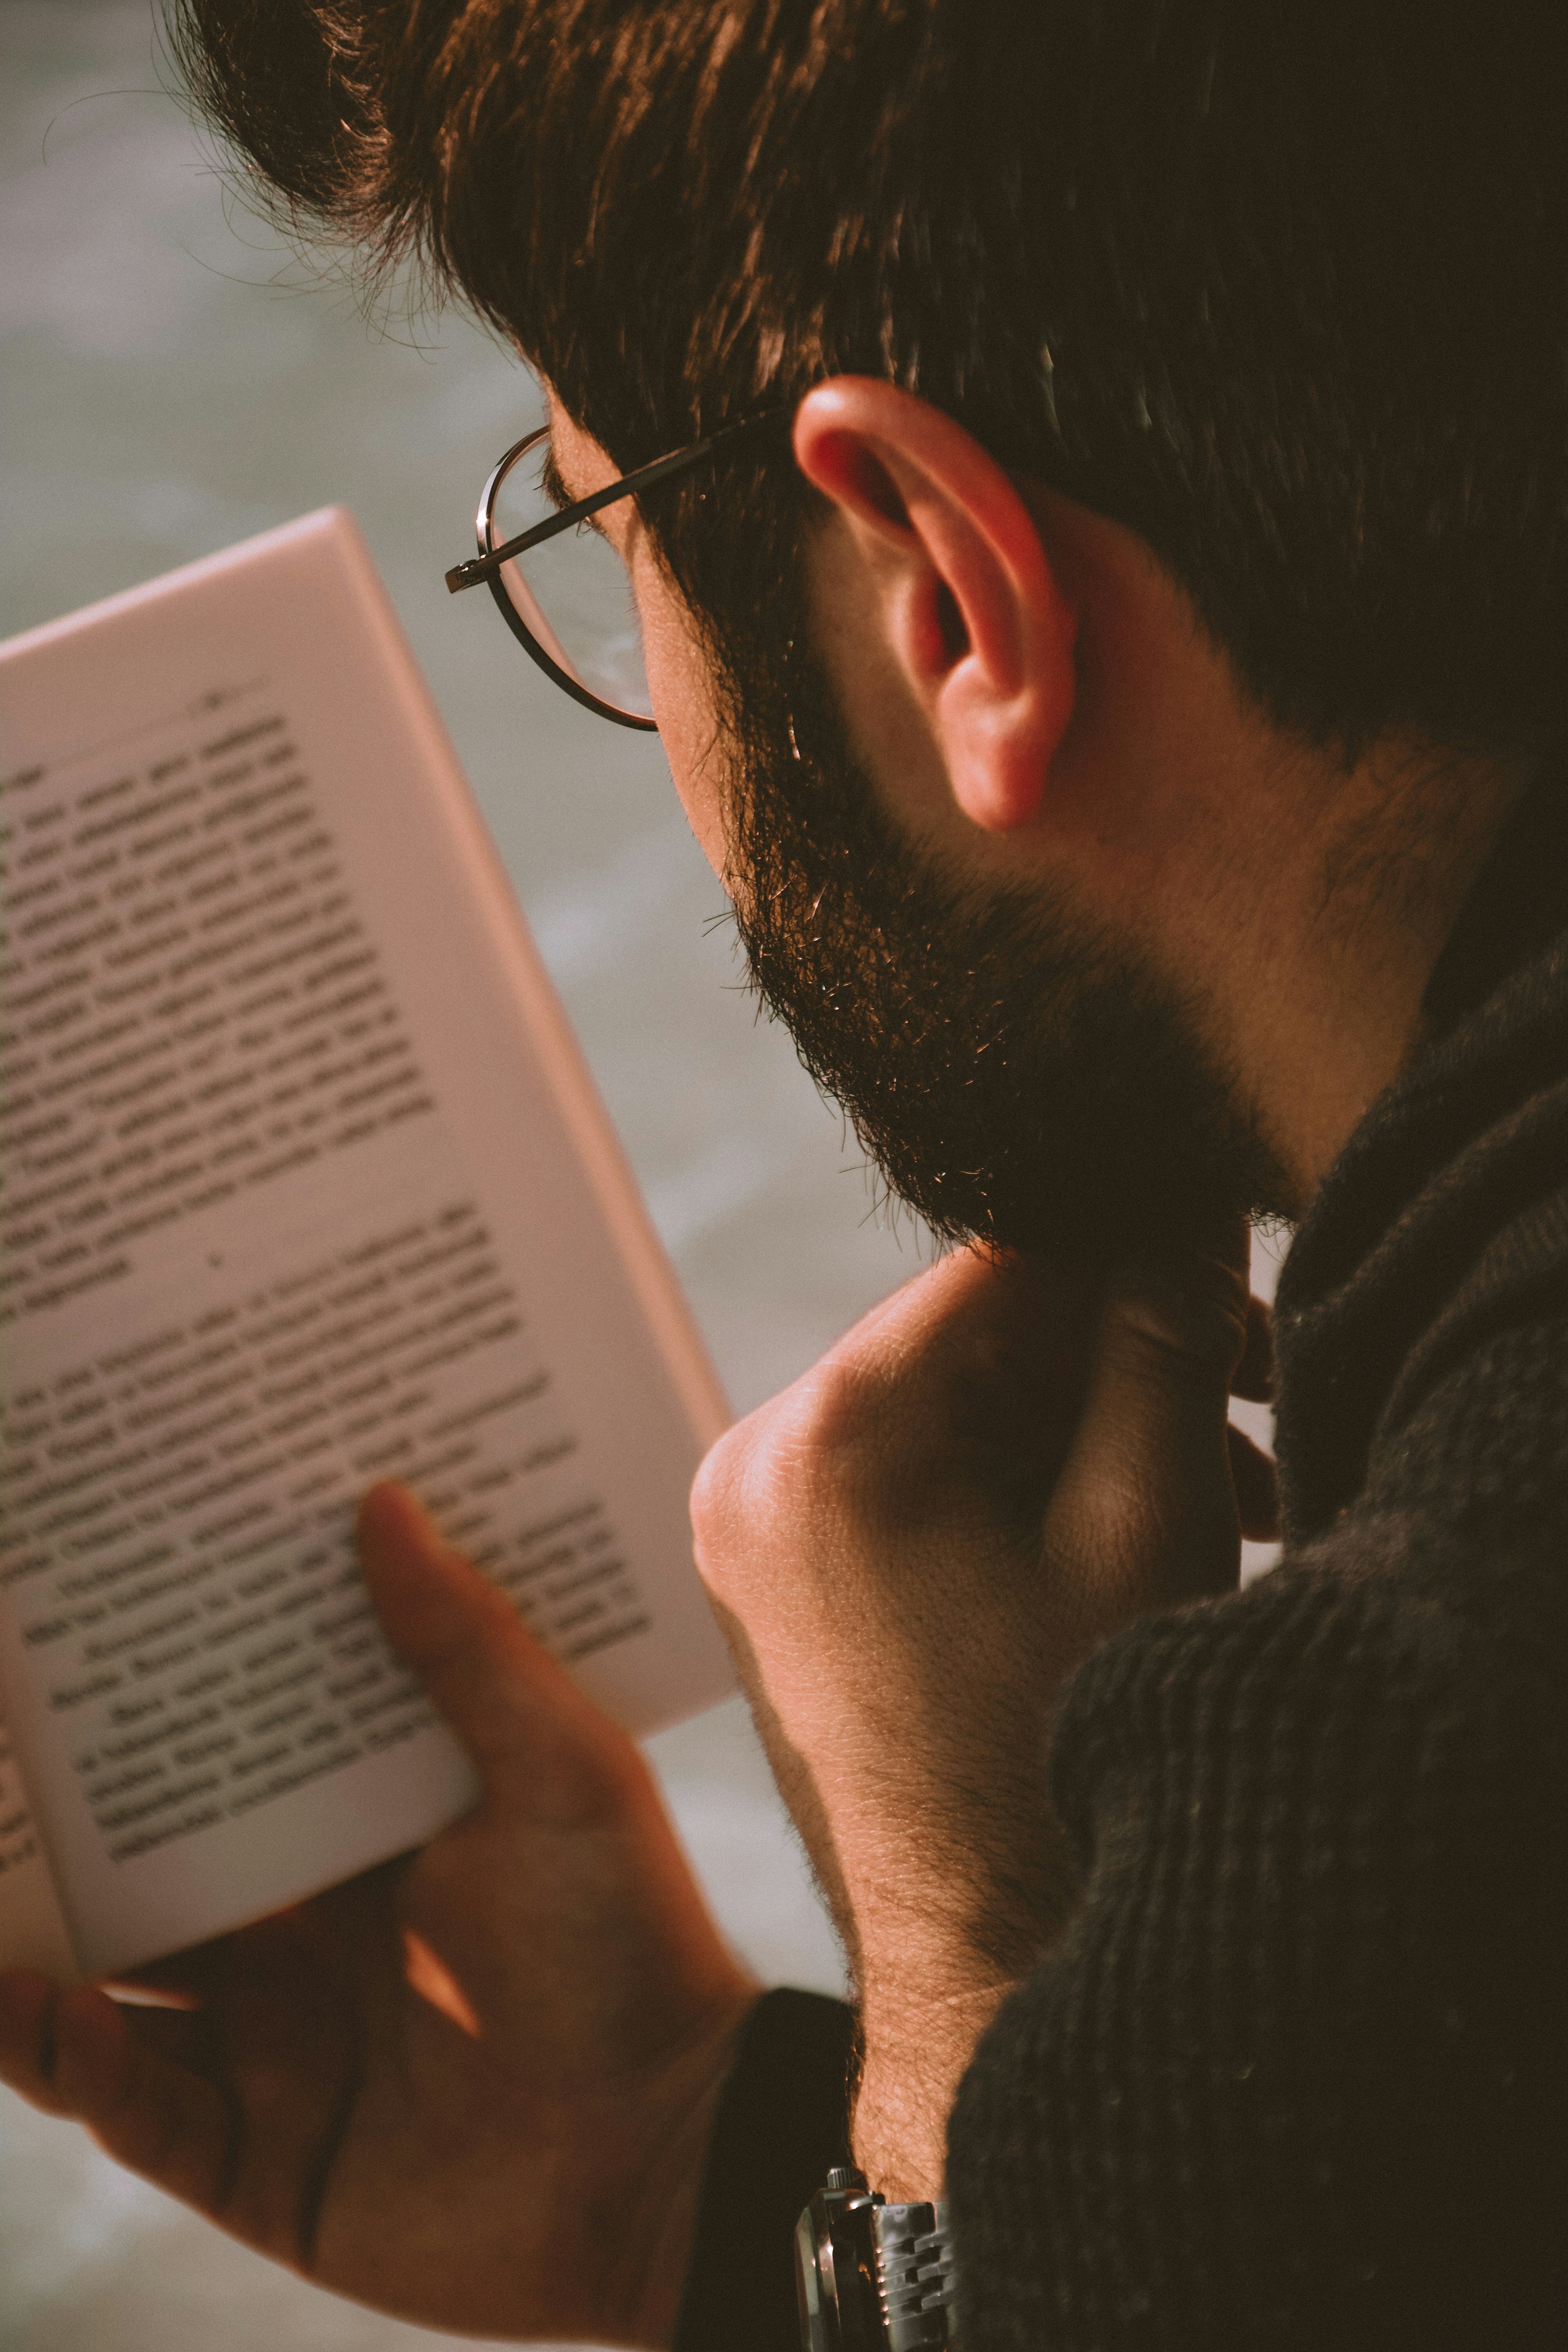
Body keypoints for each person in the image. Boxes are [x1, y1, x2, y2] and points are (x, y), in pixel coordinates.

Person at [2, 1, 1564, 2344]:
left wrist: (999, 1996)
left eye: (596, 520)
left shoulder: (1379, 1834)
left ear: (949, 592)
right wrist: (692, 2189)